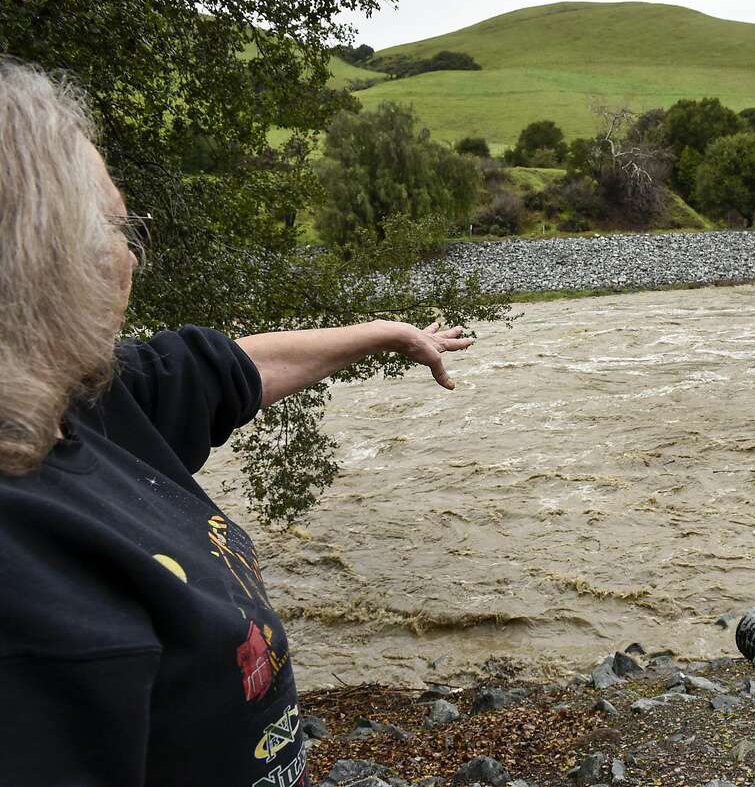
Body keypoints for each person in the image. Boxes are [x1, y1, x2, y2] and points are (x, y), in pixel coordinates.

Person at [0, 59, 476, 785]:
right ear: (44, 257)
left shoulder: (76, 400)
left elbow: (221, 371)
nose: (131, 255)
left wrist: (385, 333)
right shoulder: (28, 597)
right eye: (119, 225)